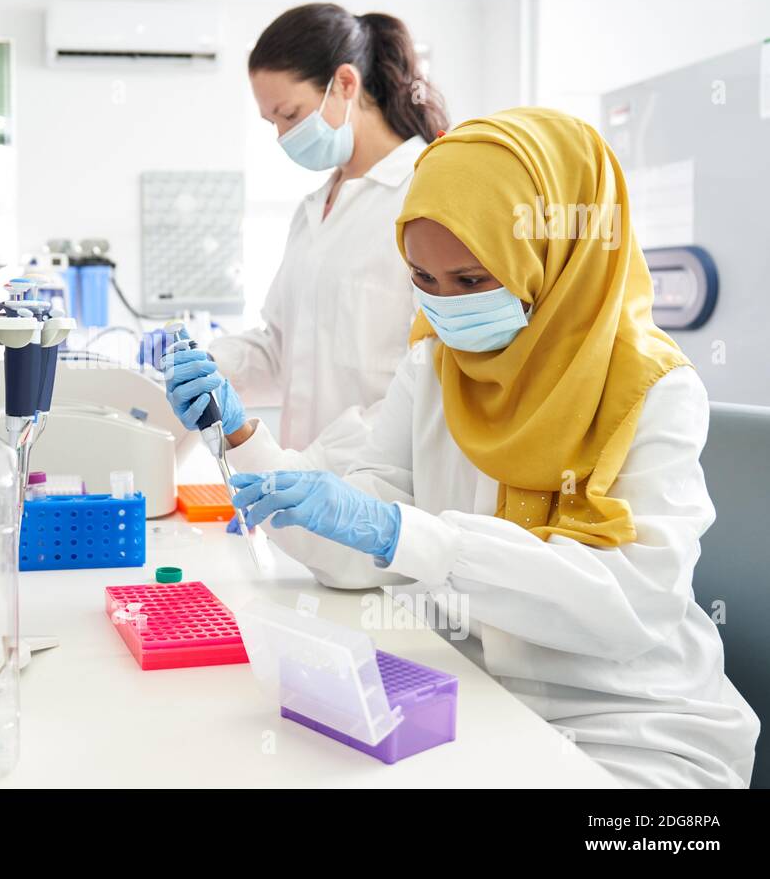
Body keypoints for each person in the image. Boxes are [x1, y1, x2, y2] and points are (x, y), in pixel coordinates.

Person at [227, 107, 759, 789]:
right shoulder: (433, 364)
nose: (445, 307)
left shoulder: (652, 389)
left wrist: (423, 539)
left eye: (473, 281)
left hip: (631, 726)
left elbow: (632, 603)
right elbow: (366, 550)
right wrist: (255, 451)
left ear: (555, 253)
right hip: (472, 696)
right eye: (423, 279)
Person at [156, 3, 447, 468]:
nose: (282, 137)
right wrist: (203, 365)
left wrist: (312, 468)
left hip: (383, 486)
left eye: (289, 115)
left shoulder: (427, 193)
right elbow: (281, 349)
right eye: (272, 122)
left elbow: (431, 378)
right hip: (301, 487)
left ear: (346, 84)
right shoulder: (314, 209)